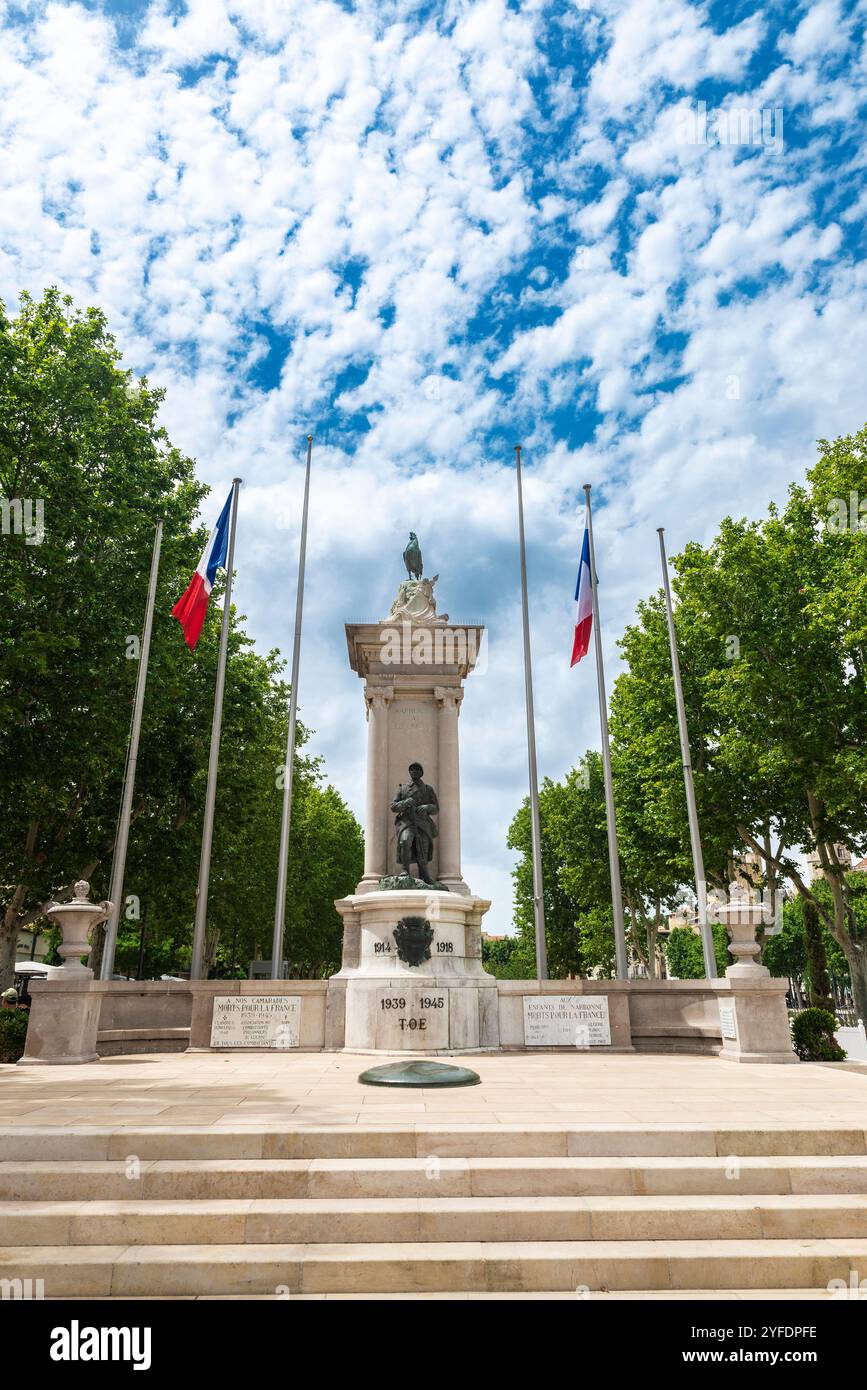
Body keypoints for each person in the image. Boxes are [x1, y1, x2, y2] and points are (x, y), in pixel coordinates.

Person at [391, 762, 439, 883]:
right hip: (407, 822)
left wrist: (427, 807)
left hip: (423, 823)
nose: (414, 772)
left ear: (421, 773)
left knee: (422, 848)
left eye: (417, 770)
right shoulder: (403, 789)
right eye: (412, 770)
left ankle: (424, 873)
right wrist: (406, 802)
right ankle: (405, 870)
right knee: (405, 841)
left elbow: (436, 808)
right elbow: (393, 806)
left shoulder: (428, 789)